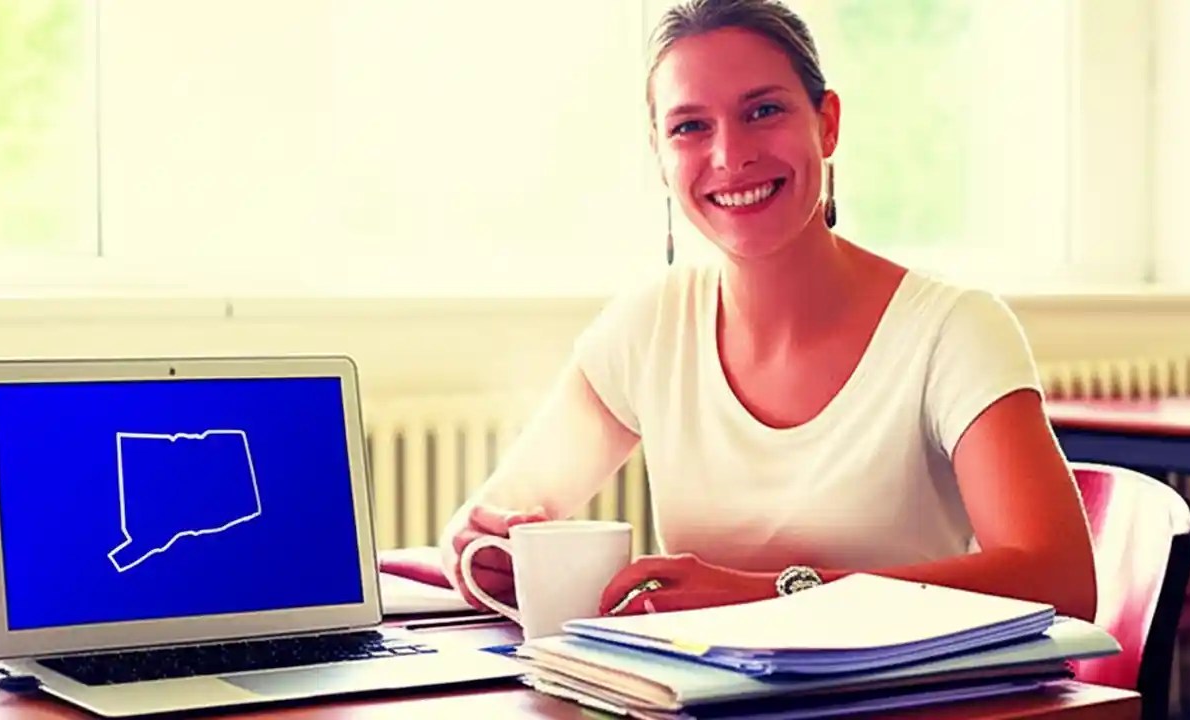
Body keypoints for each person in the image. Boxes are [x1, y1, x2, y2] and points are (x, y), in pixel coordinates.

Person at [437, 0, 1096, 622]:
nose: (731, 155)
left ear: (827, 123)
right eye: (691, 126)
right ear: (661, 159)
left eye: (763, 111)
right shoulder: (649, 327)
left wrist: (770, 595)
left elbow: (1061, 580)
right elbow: (492, 520)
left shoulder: (954, 330)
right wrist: (480, 549)